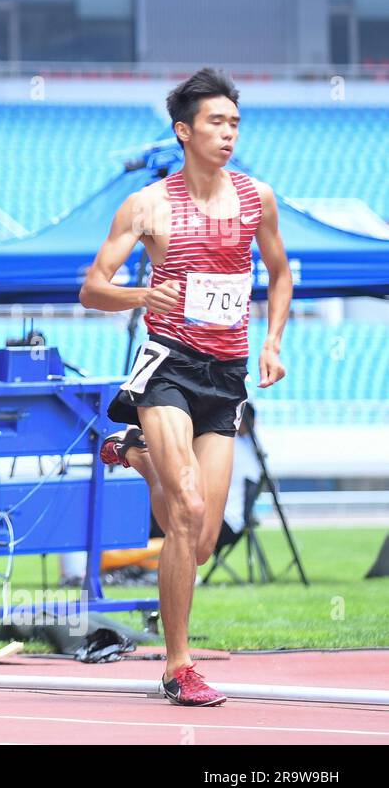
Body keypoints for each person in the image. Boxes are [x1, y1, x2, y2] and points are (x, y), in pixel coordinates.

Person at [81, 68, 292, 706]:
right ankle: (178, 665)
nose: (228, 134)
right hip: (168, 365)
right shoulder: (149, 205)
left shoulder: (259, 198)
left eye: (234, 123)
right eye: (215, 123)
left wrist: (274, 341)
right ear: (183, 131)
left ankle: (133, 452)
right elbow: (92, 288)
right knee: (190, 507)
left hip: (225, 379)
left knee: (199, 539)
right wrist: (143, 291)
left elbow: (280, 275)